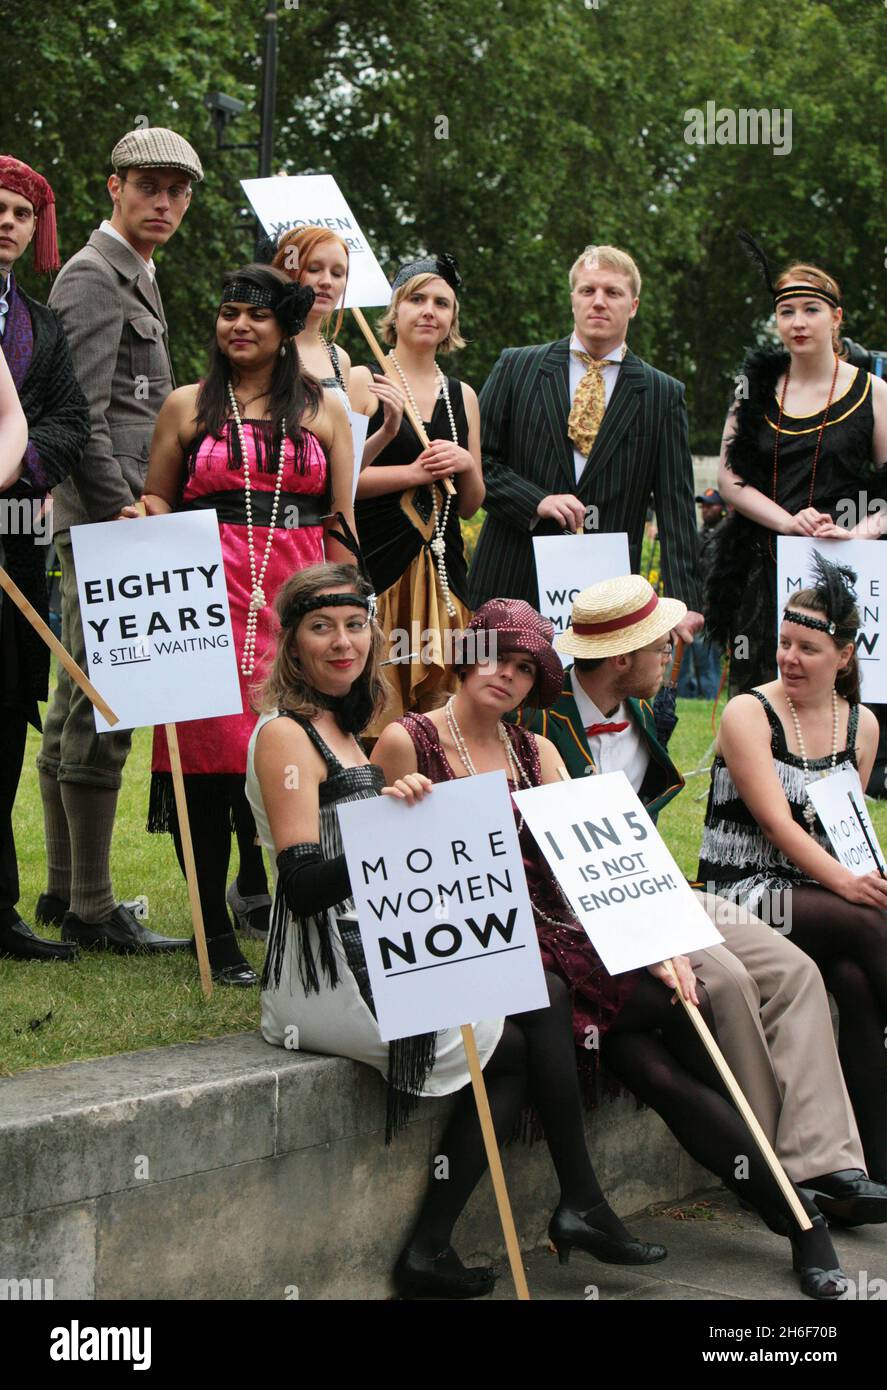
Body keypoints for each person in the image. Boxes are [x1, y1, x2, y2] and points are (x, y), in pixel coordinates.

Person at [373, 598, 850, 1299]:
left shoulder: (533, 750)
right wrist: (398, 800)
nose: (505, 676)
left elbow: (587, 859)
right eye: (495, 656)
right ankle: (601, 1203)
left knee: (670, 1021)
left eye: (524, 668)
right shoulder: (405, 740)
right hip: (476, 949)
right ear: (465, 653)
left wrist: (657, 942)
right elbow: (385, 870)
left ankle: (795, 1220)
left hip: (562, 940)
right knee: (584, 1016)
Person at [247, 563, 668, 1300]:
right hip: (324, 971)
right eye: (320, 627)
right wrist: (391, 830)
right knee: (516, 1031)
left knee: (531, 997)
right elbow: (304, 888)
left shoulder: (351, 733)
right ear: (293, 645)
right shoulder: (286, 736)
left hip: (386, 937)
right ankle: (566, 1207)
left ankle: (463, 1240)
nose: (341, 642)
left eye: (354, 625)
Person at [516, 575, 887, 1226]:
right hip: (593, 908)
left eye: (807, 646)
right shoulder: (542, 725)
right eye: (662, 645)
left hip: (660, 886)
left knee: (808, 973)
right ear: (625, 657)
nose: (674, 655)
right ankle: (770, 1169)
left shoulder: (641, 715)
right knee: (734, 979)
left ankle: (832, 1164)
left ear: (844, 656)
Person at [140, 265, 357, 985]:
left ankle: (292, 907)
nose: (238, 325)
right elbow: (158, 501)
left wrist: (346, 617)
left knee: (285, 756)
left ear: (285, 327)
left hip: (293, 605)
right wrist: (142, 515)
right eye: (227, 312)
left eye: (255, 316)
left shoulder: (324, 410)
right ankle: (211, 929)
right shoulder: (182, 406)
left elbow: (340, 521)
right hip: (202, 601)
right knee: (202, 765)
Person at [35, 126, 203, 956]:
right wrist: (123, 511)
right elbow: (80, 416)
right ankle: (94, 910)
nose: (164, 203)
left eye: (178, 192)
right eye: (149, 186)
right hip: (110, 523)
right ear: (114, 186)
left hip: (122, 518)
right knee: (105, 709)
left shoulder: (135, 273)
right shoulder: (96, 277)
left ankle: (68, 893)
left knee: (77, 704)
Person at [699, 554, 887, 1186]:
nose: (788, 658)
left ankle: (870, 1165)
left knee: (857, 984)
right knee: (868, 926)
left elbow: (843, 833)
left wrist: (859, 880)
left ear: (846, 655)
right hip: (745, 890)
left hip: (814, 891)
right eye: (783, 644)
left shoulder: (863, 726)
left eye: (808, 647)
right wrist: (851, 887)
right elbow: (778, 827)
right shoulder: (747, 713)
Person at [467, 244, 702, 643]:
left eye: (613, 292)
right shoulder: (516, 367)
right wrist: (535, 501)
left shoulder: (663, 394)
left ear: (634, 305)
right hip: (510, 569)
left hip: (606, 588)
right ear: (572, 298)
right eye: (588, 290)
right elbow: (479, 462)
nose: (599, 302)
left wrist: (683, 600)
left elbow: (675, 504)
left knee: (592, 704)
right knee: (498, 700)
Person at [706, 252, 887, 697]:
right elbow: (729, 479)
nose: (798, 322)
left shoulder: (873, 391)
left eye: (811, 310)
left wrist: (860, 534)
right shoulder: (754, 390)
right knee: (759, 698)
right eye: (786, 312)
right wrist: (787, 521)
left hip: (847, 569)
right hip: (761, 570)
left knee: (842, 700)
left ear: (836, 317)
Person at [0, 156, 89, 962]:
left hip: (15, 538)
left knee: (2, 723)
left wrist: (14, 464)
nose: (7, 222)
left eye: (21, 214)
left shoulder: (43, 325)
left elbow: (69, 422)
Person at [350, 255, 484, 725]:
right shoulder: (366, 380)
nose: (429, 310)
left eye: (441, 303)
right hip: (379, 569)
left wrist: (466, 464)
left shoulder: (463, 394)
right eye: (417, 299)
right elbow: (341, 484)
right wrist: (413, 473)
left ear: (452, 320)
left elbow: (470, 505)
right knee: (377, 707)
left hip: (448, 581)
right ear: (396, 311)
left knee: (442, 713)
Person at [271, 226, 352, 412]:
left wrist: (387, 430)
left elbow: (348, 440)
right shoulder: (266, 346)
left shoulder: (340, 359)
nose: (327, 281)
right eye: (314, 269)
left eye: (338, 273)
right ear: (288, 270)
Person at [676, 487, 726, 699]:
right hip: (693, 605)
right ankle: (684, 696)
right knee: (686, 657)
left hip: (712, 607)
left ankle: (710, 696)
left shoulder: (725, 537)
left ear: (722, 508)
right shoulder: (698, 535)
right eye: (702, 505)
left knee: (707, 659)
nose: (705, 509)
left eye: (710, 505)